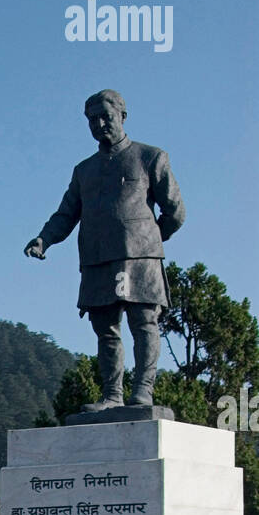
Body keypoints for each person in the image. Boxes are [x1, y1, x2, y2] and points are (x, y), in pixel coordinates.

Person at [24, 89, 186, 412]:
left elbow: (176, 212)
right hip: (97, 259)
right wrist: (44, 239)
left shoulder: (150, 157)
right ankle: (112, 394)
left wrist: (150, 241)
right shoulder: (84, 171)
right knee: (106, 329)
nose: (99, 125)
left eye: (106, 117)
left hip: (140, 258)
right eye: (92, 120)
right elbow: (66, 214)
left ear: (122, 116)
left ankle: (143, 390)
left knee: (143, 323)